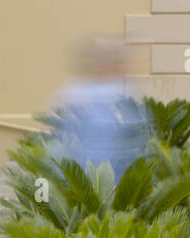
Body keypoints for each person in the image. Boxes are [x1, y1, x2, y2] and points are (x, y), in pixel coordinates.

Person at [48, 35, 150, 180]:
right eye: (111, 59)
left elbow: (139, 138)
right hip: (83, 179)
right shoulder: (76, 93)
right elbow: (62, 140)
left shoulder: (124, 90)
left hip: (119, 180)